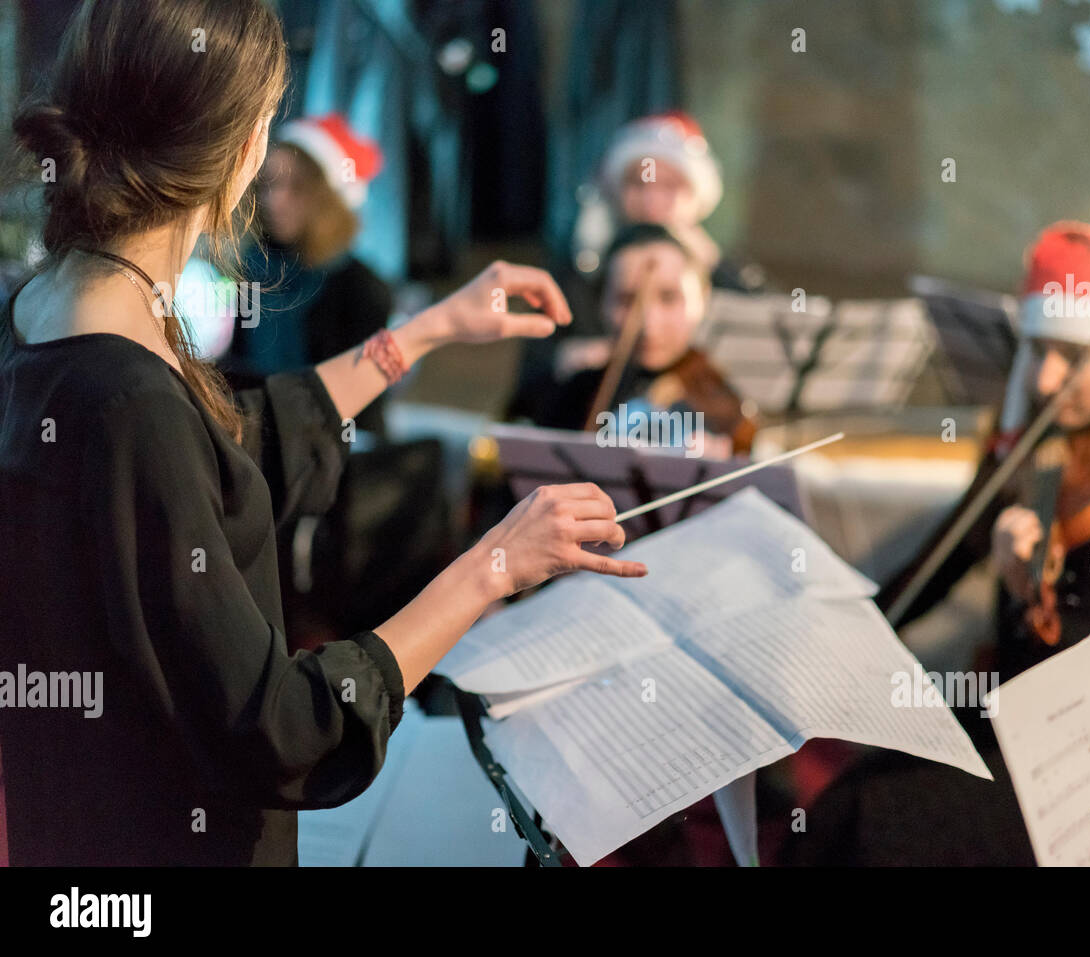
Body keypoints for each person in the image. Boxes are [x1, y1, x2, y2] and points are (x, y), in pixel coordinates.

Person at [0, 0, 645, 866]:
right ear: (240, 155)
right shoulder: (127, 399)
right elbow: (280, 728)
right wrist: (494, 566)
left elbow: (226, 456)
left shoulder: (49, 311)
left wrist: (422, 334)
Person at [787, 223, 1090, 864]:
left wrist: (1030, 591)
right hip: (1011, 717)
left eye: (1073, 356)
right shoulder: (1025, 449)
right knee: (835, 809)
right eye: (1038, 350)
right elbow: (935, 565)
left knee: (881, 826)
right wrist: (848, 634)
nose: (1047, 379)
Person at [511, 112, 762, 424]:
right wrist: (563, 363)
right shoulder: (577, 277)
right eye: (638, 184)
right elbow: (525, 395)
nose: (652, 201)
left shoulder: (724, 276)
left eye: (670, 187)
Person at [516, 222, 757, 457]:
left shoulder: (731, 399)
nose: (648, 324)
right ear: (602, 304)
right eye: (626, 300)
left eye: (669, 297)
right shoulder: (577, 394)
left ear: (703, 298)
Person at [222, 113, 392, 436]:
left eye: (295, 188)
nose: (275, 200)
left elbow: (362, 409)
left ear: (326, 199)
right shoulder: (255, 265)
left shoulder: (362, 289)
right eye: (270, 184)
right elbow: (238, 367)